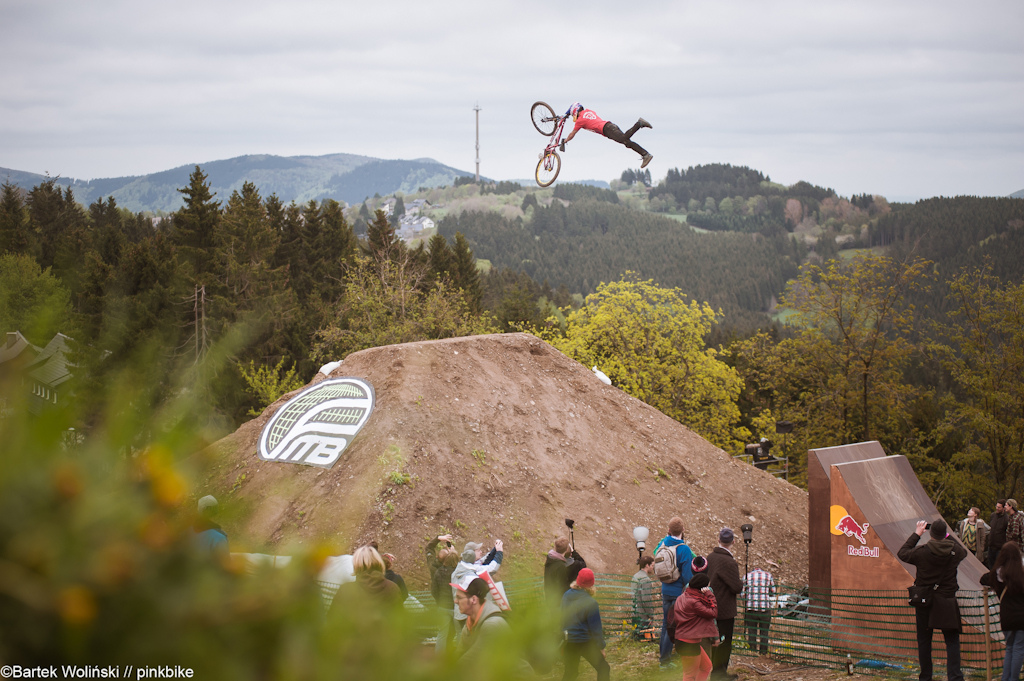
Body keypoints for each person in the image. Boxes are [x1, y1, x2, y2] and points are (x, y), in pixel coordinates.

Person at [897, 520, 967, 681]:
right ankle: (955, 677)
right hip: (947, 601)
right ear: (945, 535)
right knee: (952, 641)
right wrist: (947, 534)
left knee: (924, 641)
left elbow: (903, 553)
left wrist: (917, 533)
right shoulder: (955, 552)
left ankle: (926, 677)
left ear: (931, 534)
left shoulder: (922, 552)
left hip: (925, 602)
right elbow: (964, 551)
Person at [654, 516, 695, 668]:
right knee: (677, 626)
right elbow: (686, 575)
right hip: (678, 592)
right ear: (683, 530)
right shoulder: (683, 549)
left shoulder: (663, 544)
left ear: (669, 530)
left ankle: (663, 658)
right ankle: (668, 661)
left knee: (666, 624)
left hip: (665, 590)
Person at [562, 102, 654, 169]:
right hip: (610, 125)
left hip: (607, 130)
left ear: (575, 111)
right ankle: (646, 155)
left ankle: (639, 124)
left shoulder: (580, 121)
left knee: (624, 138)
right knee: (627, 142)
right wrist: (566, 115)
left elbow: (572, 134)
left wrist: (566, 140)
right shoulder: (588, 111)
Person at [980, 542, 1024, 681]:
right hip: (1022, 616)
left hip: (1006, 617)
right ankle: (1013, 678)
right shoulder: (1021, 573)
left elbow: (983, 579)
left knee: (1010, 648)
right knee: (1019, 649)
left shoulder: (997, 573)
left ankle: (1006, 678)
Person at [706, 528, 743, 680]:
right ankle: (719, 674)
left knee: (714, 641)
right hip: (725, 610)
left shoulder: (711, 557)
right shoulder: (729, 562)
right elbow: (736, 587)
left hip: (710, 606)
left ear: (718, 539)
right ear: (733, 541)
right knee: (724, 642)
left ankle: (714, 671)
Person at [561, 568, 610, 681]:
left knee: (570, 673)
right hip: (584, 642)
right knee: (604, 668)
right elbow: (596, 629)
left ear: (577, 581)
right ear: (591, 584)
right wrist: (601, 648)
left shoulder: (566, 596)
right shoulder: (590, 603)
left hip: (569, 641)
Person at [451, 539, 504, 635]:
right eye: (478, 550)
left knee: (462, 645)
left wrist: (495, 550)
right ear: (471, 554)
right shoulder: (472, 572)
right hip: (468, 614)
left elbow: (485, 561)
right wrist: (499, 552)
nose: (481, 552)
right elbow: (491, 568)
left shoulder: (460, 568)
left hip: (459, 614)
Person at [672, 571, 719, 681]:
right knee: (689, 676)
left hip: (686, 640)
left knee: (706, 666)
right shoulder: (695, 602)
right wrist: (710, 595)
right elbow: (713, 612)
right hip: (688, 644)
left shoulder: (683, 596)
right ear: (702, 588)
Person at [328, 545, 403, 612]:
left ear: (357, 564)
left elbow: (332, 621)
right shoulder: (392, 589)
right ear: (378, 562)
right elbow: (400, 621)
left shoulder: (345, 590)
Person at [426, 534, 457, 650]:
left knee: (442, 634)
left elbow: (428, 548)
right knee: (457, 632)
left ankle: (439, 658)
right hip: (455, 605)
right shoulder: (455, 570)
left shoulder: (433, 567)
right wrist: (453, 552)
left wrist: (438, 538)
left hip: (442, 605)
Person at [743, 565, 776, 656]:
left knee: (752, 630)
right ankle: (763, 652)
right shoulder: (768, 575)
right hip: (765, 608)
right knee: (764, 632)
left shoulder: (746, 576)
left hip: (751, 608)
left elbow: (742, 594)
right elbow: (773, 591)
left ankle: (752, 651)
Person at [545, 536, 586, 608]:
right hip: (558, 602)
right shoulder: (561, 566)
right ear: (567, 549)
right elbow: (563, 586)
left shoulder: (550, 558)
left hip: (549, 597)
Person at [631, 555, 658, 635]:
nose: (652, 568)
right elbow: (646, 600)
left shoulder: (635, 576)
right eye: (652, 565)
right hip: (643, 617)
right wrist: (651, 615)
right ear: (647, 565)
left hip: (634, 613)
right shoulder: (645, 580)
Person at [990, 500, 1009, 568]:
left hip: (999, 547)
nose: (997, 508)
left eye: (999, 507)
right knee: (990, 565)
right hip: (991, 545)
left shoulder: (1006, 519)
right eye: (996, 506)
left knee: (997, 566)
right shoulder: (993, 515)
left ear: (1003, 508)